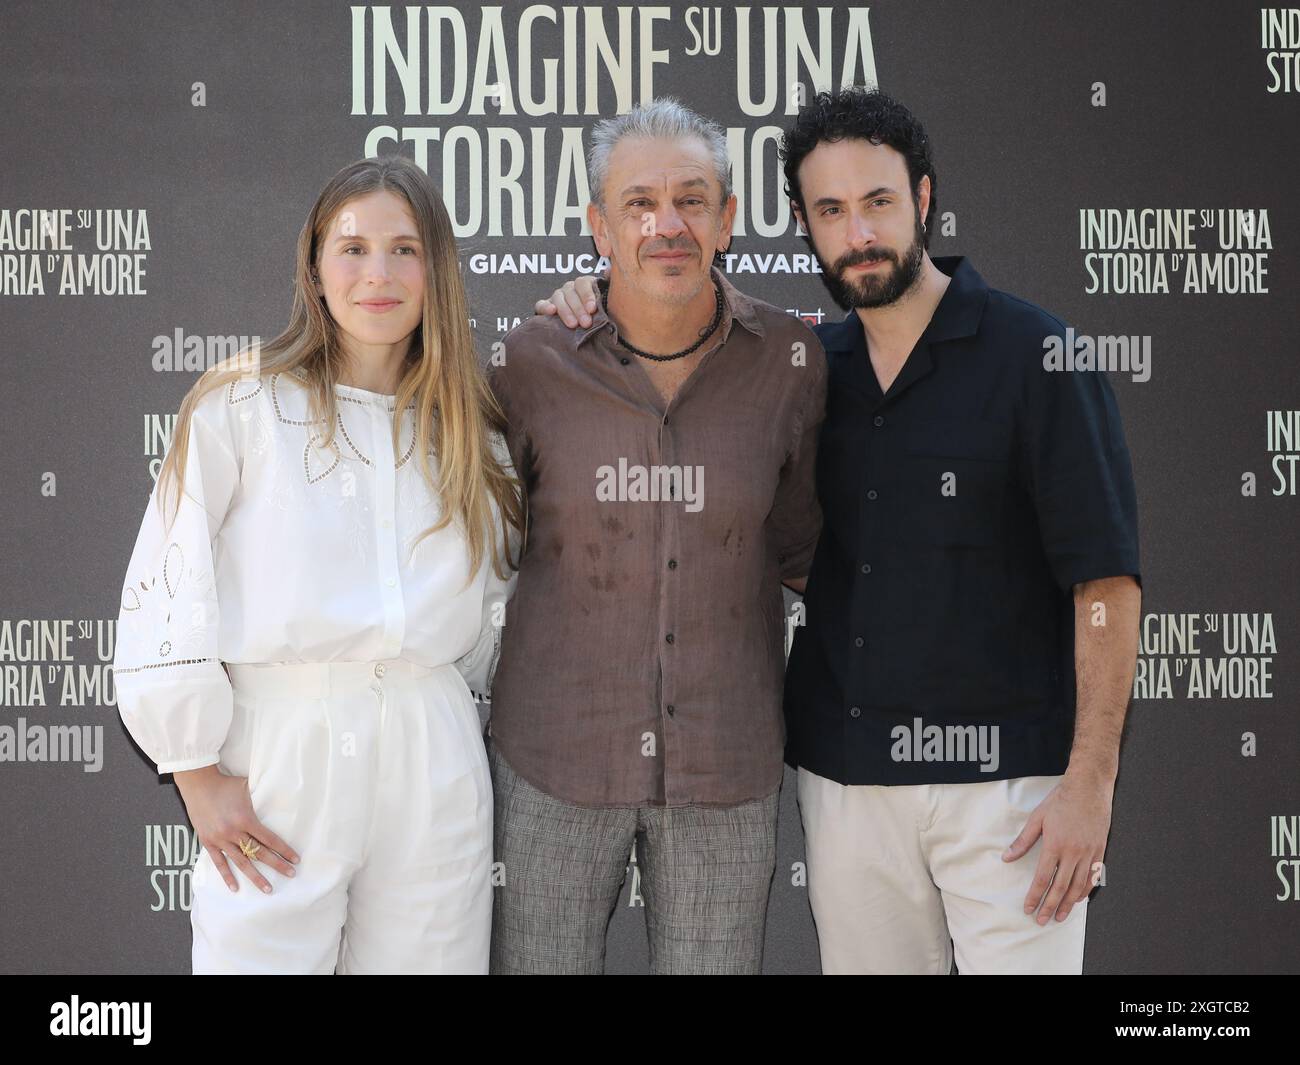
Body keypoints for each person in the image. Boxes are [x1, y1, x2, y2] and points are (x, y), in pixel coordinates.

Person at [537, 88, 1142, 975]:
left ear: (925, 199)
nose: (858, 232)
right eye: (831, 210)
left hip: (1012, 794)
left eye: (878, 203)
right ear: (801, 225)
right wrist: (598, 290)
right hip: (848, 787)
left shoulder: (1038, 356)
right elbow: (688, 316)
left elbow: (1106, 584)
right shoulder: (802, 368)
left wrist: (1090, 783)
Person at [112, 155, 523, 974]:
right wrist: (195, 771)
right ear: (314, 267)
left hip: (431, 750)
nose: (379, 273)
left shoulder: (474, 434)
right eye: (353, 248)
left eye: (405, 250)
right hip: (281, 752)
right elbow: (168, 574)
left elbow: (495, 608)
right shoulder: (238, 403)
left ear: (436, 269)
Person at [487, 97, 826, 974]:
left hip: (726, 762)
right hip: (555, 758)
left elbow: (805, 548)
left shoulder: (792, 362)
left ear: (728, 220)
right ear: (600, 226)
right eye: (638, 203)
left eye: (691, 199)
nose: (665, 223)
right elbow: (482, 539)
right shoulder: (531, 359)